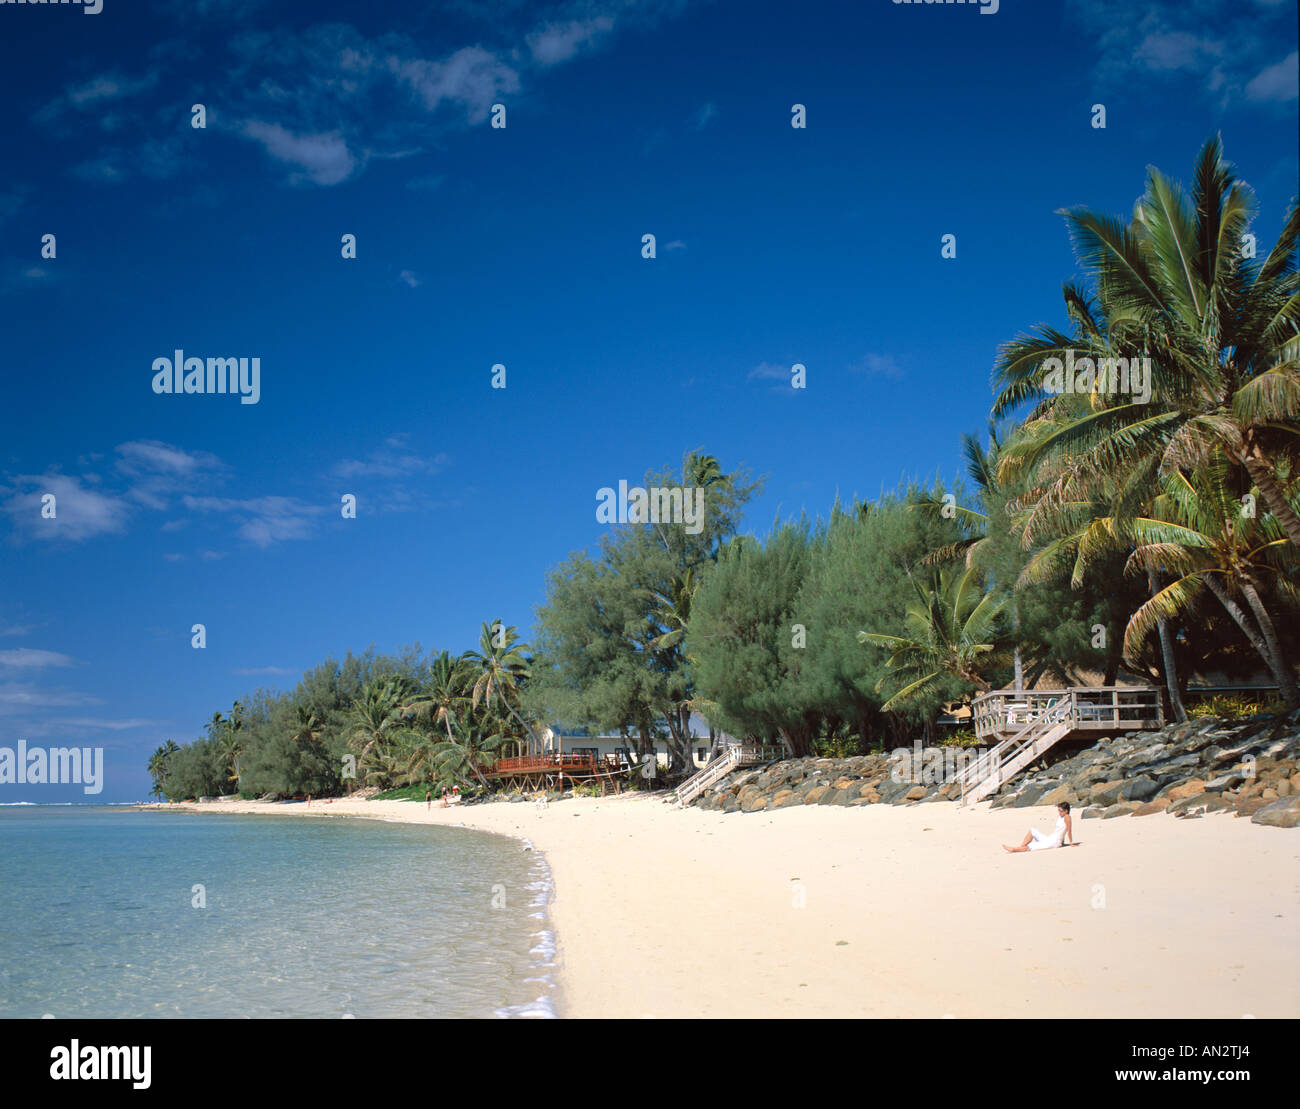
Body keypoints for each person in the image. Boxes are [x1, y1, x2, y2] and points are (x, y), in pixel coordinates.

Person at [1003, 802, 1073, 853]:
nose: (1059, 813)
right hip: (1050, 838)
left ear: (1066, 811)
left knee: (1032, 846)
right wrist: (1063, 842)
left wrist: (1071, 843)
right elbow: (1061, 831)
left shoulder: (1067, 817)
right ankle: (1021, 847)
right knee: (1032, 830)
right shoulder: (1061, 817)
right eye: (1058, 810)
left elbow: (1069, 831)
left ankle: (1014, 849)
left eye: (1061, 811)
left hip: (1054, 842)